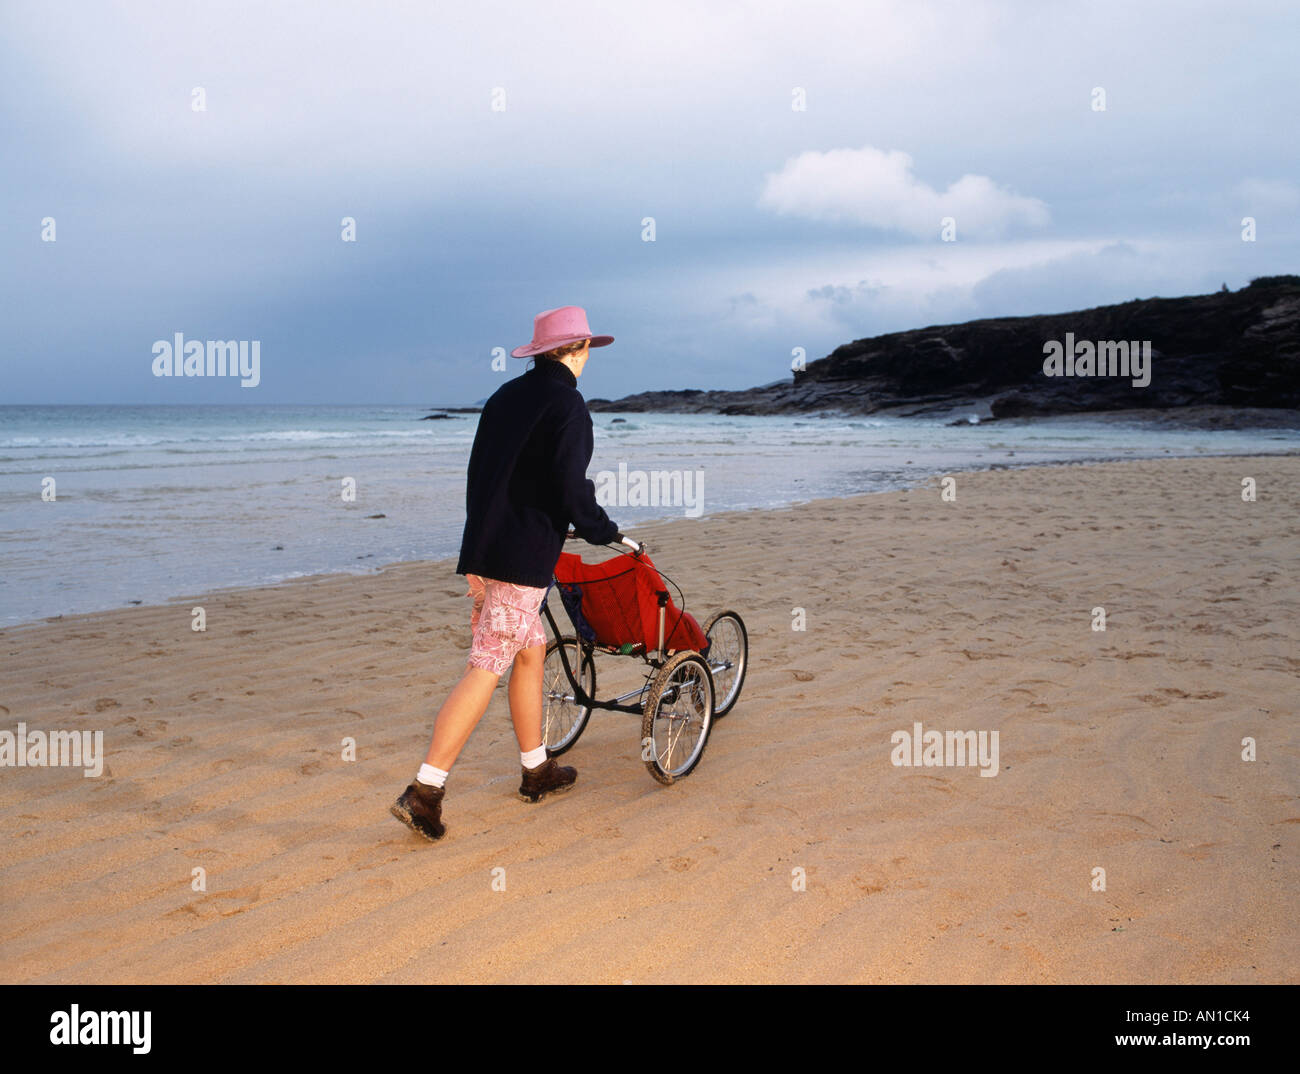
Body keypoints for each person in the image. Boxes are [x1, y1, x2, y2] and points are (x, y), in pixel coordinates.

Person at [390, 306, 623, 842]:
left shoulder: (503, 398)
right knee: (486, 665)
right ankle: (425, 791)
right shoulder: (568, 403)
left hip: (488, 550)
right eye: (587, 349)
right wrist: (600, 528)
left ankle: (536, 768)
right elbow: (570, 485)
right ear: (579, 349)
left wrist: (472, 556)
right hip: (521, 559)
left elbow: (481, 478)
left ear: (540, 351)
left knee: (530, 649)